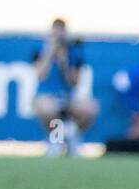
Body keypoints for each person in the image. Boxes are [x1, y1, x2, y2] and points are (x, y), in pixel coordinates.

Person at [32, 18, 98, 156]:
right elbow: (40, 74)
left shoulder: (74, 52)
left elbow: (74, 82)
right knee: (49, 109)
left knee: (90, 108)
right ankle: (56, 139)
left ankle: (72, 136)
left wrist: (64, 62)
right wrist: (50, 53)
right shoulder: (41, 50)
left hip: (68, 96)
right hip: (48, 95)